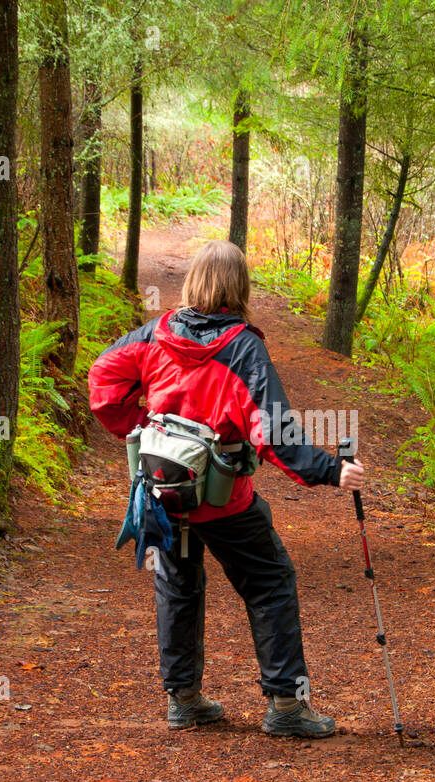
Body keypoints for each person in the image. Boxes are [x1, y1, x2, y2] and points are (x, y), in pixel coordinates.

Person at [88, 240, 365, 738]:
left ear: (194, 280)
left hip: (163, 495)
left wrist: (140, 425)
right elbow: (275, 430)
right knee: (270, 582)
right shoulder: (242, 348)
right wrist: (330, 470)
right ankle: (286, 706)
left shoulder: (157, 333)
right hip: (223, 502)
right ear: (239, 287)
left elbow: (102, 378)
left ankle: (184, 700)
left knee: (177, 587)